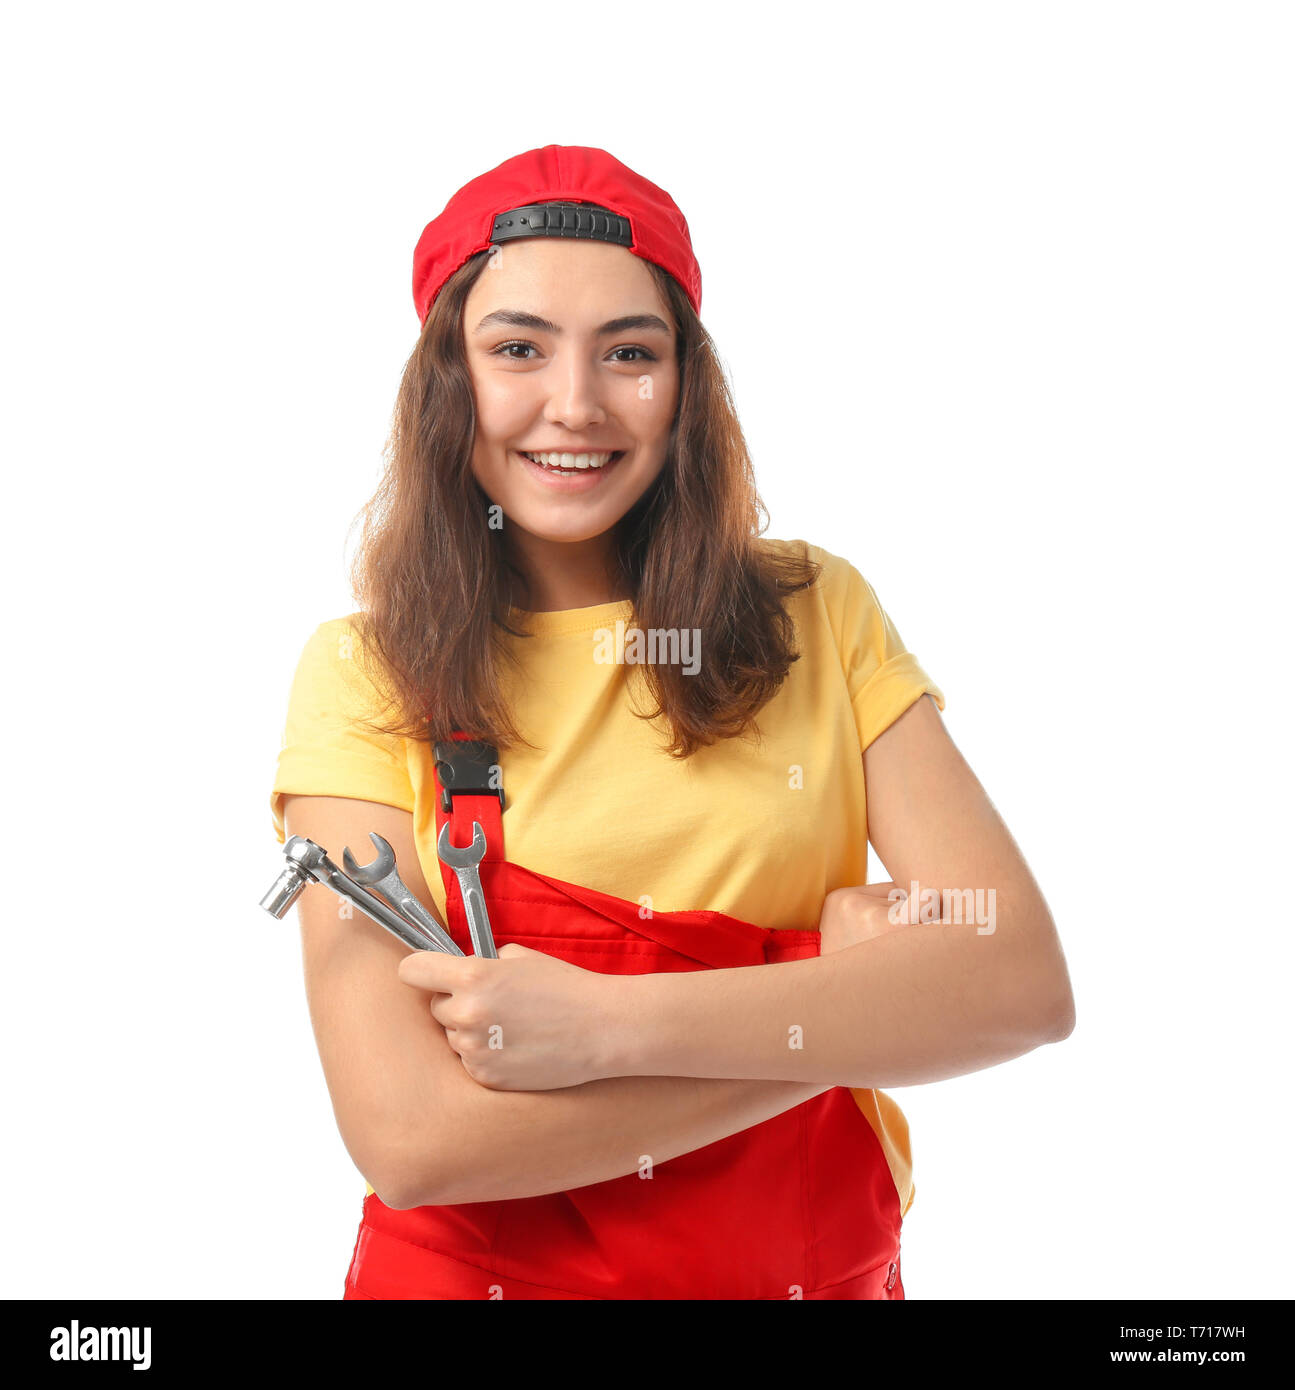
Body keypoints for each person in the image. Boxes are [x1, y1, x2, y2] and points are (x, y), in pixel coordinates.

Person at [268, 145, 1075, 1300]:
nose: (576, 404)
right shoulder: (364, 672)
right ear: (449, 380)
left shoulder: (813, 615)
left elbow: (1016, 977)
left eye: (629, 354)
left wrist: (600, 1029)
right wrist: (843, 1007)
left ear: (684, 386)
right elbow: (414, 1141)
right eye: (516, 349)